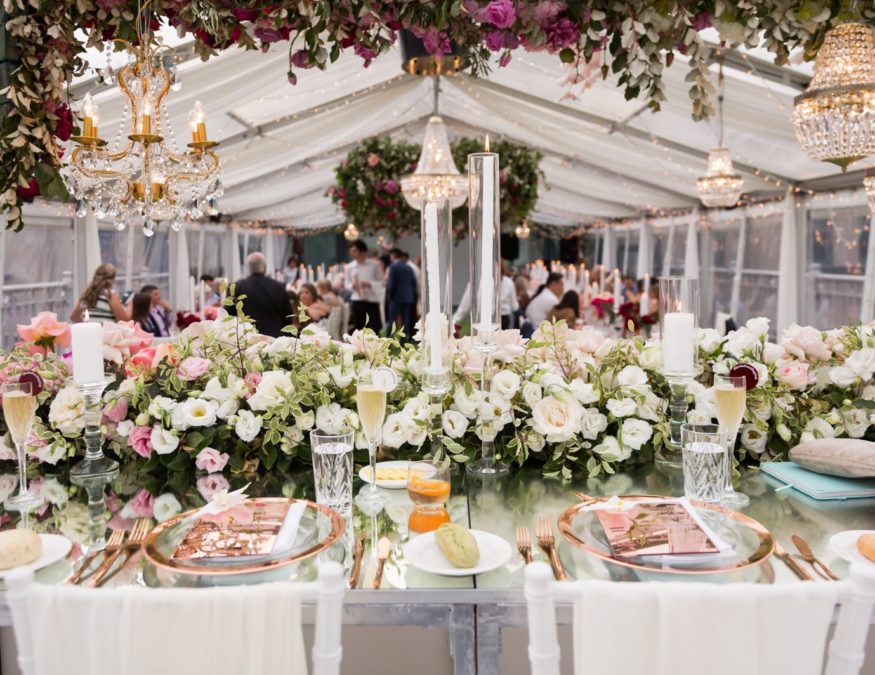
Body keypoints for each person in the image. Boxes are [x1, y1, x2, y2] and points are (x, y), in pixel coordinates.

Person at [232, 252, 293, 337]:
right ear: (265, 268)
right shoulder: (279, 287)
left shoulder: (236, 287)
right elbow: (288, 316)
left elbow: (231, 316)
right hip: (274, 337)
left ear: (248, 268)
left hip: (246, 337)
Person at [345, 239, 383, 332]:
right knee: (358, 330)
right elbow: (346, 284)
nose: (352, 254)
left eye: (355, 251)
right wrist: (352, 286)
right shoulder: (350, 267)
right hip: (357, 301)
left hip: (372, 301)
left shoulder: (375, 265)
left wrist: (369, 284)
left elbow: (382, 282)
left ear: (362, 251)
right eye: (351, 252)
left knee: (374, 330)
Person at [385, 248, 417, 340]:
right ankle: (404, 340)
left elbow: (391, 284)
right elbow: (413, 283)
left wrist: (389, 296)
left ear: (393, 256)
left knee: (392, 320)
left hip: (395, 298)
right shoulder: (409, 267)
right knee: (405, 320)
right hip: (408, 298)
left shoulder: (393, 267)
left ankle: (389, 339)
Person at [500, 261, 519, 330]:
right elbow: (514, 307)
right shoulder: (509, 282)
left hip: (489, 318)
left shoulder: (486, 281)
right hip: (505, 317)